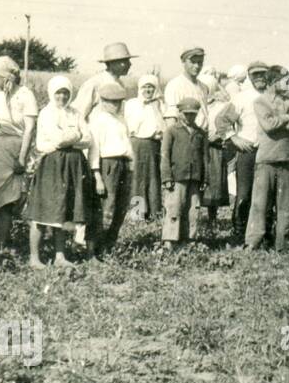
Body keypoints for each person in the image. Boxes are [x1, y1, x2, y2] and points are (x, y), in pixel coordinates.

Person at [24, 75, 94, 268]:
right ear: (51, 93)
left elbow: (88, 138)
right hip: (52, 166)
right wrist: (74, 136)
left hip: (72, 166)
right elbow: (54, 141)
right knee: (43, 210)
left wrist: (72, 137)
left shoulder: (75, 113)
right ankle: (34, 258)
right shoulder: (46, 113)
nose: (62, 97)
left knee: (63, 210)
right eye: (58, 92)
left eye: (65, 92)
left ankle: (60, 256)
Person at [0, 57, 36, 255]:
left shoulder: (25, 94)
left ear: (6, 78)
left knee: (8, 202)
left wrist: (22, 158)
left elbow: (29, 130)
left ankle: (0, 246)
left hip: (16, 149)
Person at [245, 67, 289, 252]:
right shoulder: (260, 102)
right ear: (273, 82)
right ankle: (253, 243)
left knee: (286, 205)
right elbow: (268, 126)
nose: (288, 83)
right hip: (266, 160)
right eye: (285, 80)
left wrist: (281, 121)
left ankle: (283, 243)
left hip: (286, 158)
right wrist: (286, 118)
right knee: (260, 204)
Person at [216, 62, 268, 243]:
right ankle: (239, 231)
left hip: (268, 152)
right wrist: (234, 138)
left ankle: (262, 232)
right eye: (256, 75)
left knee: (264, 194)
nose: (260, 78)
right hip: (248, 151)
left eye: (263, 74)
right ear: (249, 77)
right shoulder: (242, 98)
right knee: (244, 193)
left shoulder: (272, 96)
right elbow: (221, 120)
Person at [87, 83, 134, 254]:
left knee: (121, 208)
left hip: (123, 165)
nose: (115, 105)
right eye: (111, 102)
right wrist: (97, 175)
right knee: (104, 208)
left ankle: (108, 245)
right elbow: (94, 150)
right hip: (107, 165)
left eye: (118, 102)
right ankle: (93, 250)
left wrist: (130, 164)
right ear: (103, 101)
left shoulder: (121, 119)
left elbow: (127, 144)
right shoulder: (98, 120)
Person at [160, 97, 206, 249]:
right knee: (174, 207)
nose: (189, 117)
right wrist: (167, 176)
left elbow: (205, 157)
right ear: (179, 113)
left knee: (194, 209)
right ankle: (170, 239)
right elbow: (165, 155)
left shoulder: (200, 133)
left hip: (195, 176)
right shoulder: (172, 131)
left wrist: (205, 178)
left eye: (193, 114)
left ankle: (190, 239)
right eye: (186, 114)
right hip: (177, 176)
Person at [124, 74, 164, 221]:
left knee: (153, 179)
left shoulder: (159, 104)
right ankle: (137, 214)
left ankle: (154, 213)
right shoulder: (131, 104)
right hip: (136, 144)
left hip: (154, 145)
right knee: (137, 180)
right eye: (145, 87)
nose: (148, 90)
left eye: (151, 87)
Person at [74, 42, 135, 120]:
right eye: (124, 61)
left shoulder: (120, 84)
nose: (129, 64)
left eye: (128, 61)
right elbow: (78, 115)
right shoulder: (94, 84)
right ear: (111, 63)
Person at [202, 84, 233, 238]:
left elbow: (228, 126)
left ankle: (212, 217)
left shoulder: (222, 106)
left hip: (214, 148)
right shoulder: (199, 104)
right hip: (200, 147)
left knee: (214, 182)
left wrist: (219, 135)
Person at [164, 47, 210, 128]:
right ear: (183, 62)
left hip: (202, 135)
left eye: (200, 62)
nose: (197, 66)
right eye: (192, 62)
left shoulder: (203, 87)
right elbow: (171, 117)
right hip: (185, 135)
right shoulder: (175, 85)